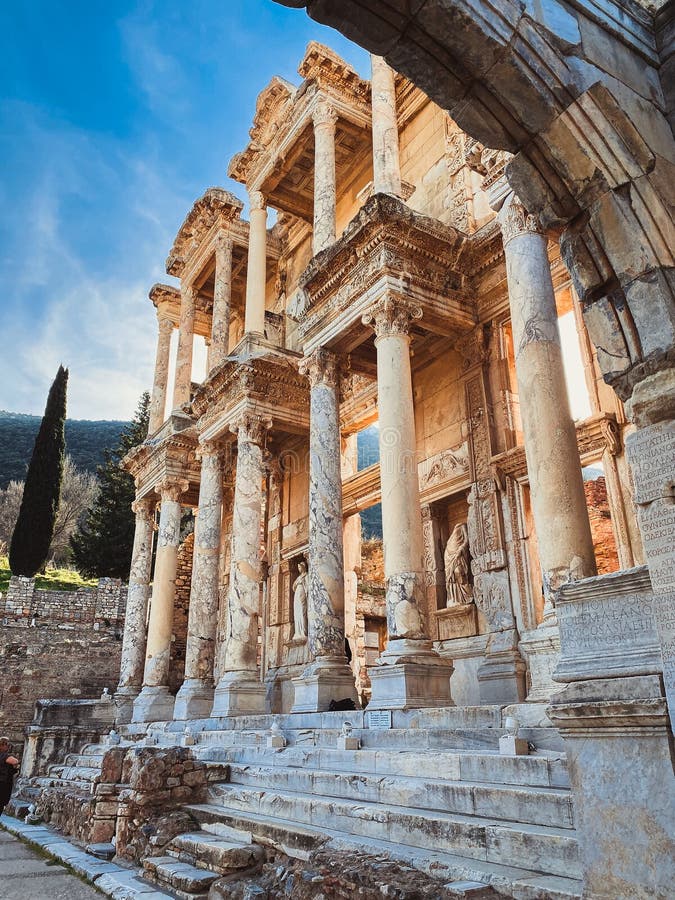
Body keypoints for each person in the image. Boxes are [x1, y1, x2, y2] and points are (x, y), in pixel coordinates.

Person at [444, 523, 472, 606]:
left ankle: (466, 596)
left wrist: (461, 548)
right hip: (449, 556)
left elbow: (467, 540)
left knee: (458, 572)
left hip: (458, 554)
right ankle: (453, 598)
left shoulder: (463, 526)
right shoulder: (452, 534)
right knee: (451, 578)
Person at [0, 736, 19, 812]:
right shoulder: (4, 756)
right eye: (7, 744)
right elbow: (15, 761)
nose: (8, 746)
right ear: (2, 745)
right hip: (2, 784)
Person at [292, 560, 308, 640]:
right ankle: (298, 632)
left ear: (303, 567)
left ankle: (303, 631)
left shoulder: (306, 575)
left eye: (300, 567)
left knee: (302, 612)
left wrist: (301, 583)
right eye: (298, 567)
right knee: (297, 612)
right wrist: (297, 583)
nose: (299, 568)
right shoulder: (298, 577)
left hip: (302, 594)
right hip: (297, 595)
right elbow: (293, 586)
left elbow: (308, 587)